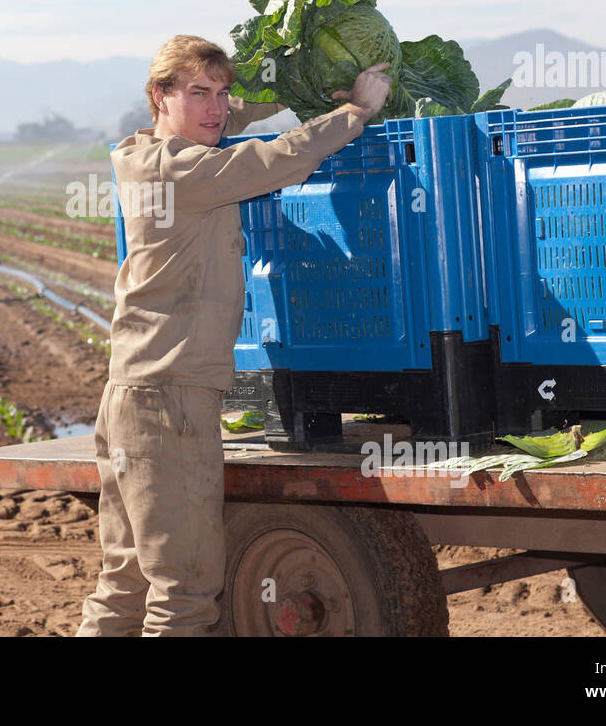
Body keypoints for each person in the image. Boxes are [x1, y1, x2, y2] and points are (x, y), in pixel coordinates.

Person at [75, 34, 392, 636]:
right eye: (199, 94)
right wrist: (355, 112)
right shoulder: (188, 170)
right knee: (186, 591)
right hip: (173, 403)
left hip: (129, 397)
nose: (216, 108)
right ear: (159, 97)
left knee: (125, 582)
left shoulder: (136, 154)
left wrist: (271, 95)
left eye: (221, 93)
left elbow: (229, 120)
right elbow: (276, 160)